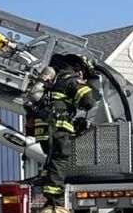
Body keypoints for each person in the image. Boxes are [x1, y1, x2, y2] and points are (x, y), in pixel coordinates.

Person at [27, 53, 96, 201]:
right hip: (56, 128)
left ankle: (46, 185)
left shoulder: (54, 81)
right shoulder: (71, 80)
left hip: (44, 129)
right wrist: (82, 84)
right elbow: (88, 102)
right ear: (80, 70)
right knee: (60, 158)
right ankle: (54, 199)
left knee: (52, 159)